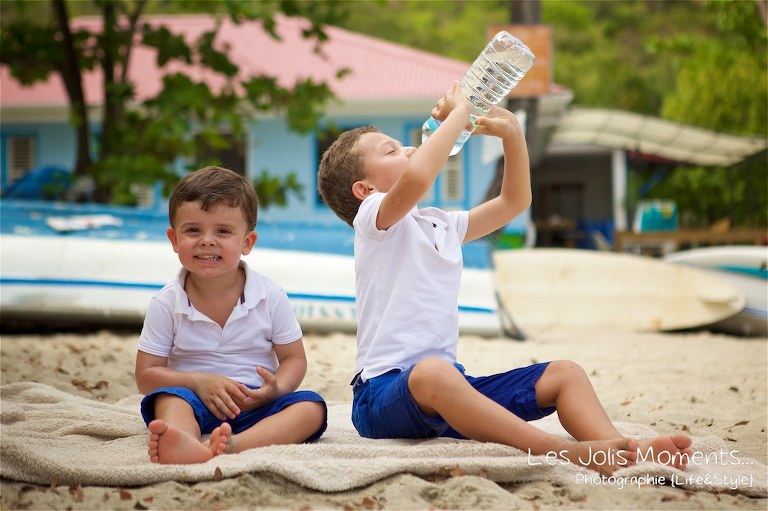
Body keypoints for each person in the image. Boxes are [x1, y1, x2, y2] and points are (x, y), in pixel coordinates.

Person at [317, 83, 692, 474]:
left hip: (447, 394)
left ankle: (621, 448)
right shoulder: (373, 221)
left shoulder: (439, 225)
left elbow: (514, 202)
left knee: (566, 374)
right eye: (392, 150)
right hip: (380, 399)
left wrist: (514, 136)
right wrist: (461, 110)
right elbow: (417, 180)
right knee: (435, 372)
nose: (409, 150)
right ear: (365, 189)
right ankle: (556, 451)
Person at [135, 166, 327, 464]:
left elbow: (294, 359)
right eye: (193, 230)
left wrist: (276, 388)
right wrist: (198, 382)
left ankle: (234, 445)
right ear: (174, 239)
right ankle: (185, 442)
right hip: (193, 397)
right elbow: (146, 376)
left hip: (254, 403)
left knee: (311, 407)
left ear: (246, 242)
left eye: (223, 231)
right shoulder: (166, 302)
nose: (207, 240)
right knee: (168, 399)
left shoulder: (270, 296)